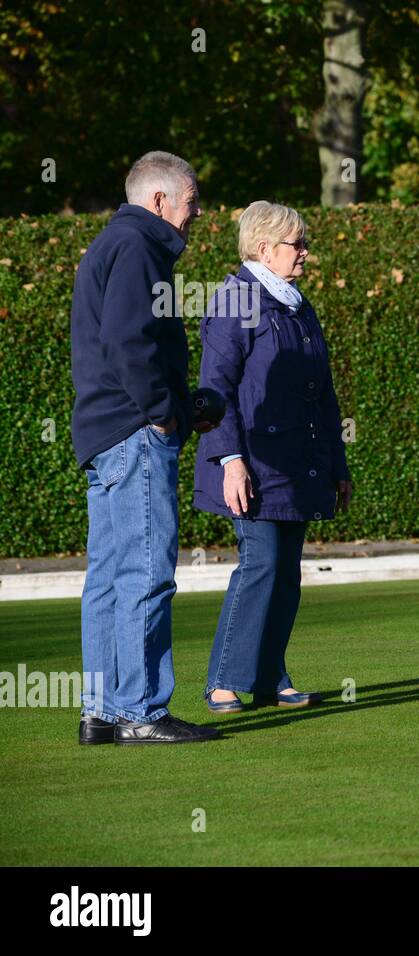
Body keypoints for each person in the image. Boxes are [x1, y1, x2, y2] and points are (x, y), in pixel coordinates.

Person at [72, 150, 220, 745]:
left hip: (106, 433)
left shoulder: (113, 245)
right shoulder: (137, 248)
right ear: (159, 200)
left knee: (108, 577)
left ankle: (102, 711)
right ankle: (140, 709)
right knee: (144, 573)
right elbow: (130, 344)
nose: (196, 212)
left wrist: (173, 411)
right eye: (191, 199)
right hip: (133, 434)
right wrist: (164, 416)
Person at [192, 201, 353, 713]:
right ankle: (223, 681)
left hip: (299, 462)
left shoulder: (297, 304)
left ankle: (270, 676)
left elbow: (323, 394)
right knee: (259, 565)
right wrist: (230, 460)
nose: (305, 252)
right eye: (296, 244)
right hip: (253, 464)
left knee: (285, 573)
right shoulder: (234, 299)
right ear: (264, 248)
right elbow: (213, 390)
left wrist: (337, 466)